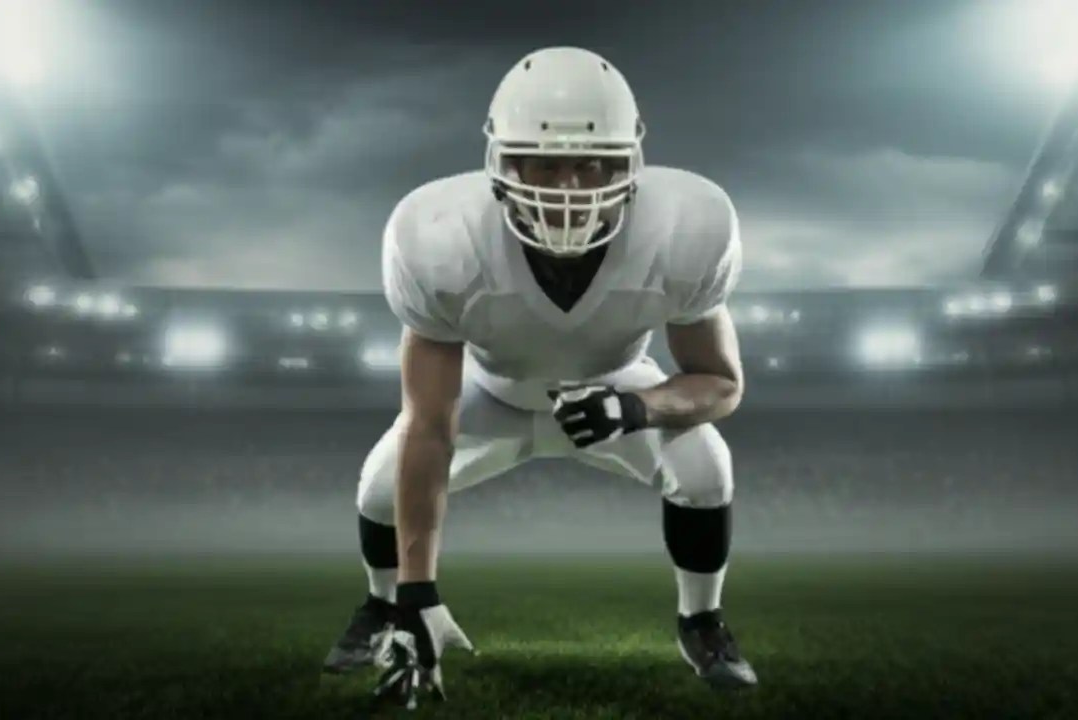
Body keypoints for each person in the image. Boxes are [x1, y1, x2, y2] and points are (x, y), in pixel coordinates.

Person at [322, 46, 756, 708]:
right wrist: (420, 592)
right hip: (490, 394)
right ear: (501, 163)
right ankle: (388, 611)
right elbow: (431, 425)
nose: (569, 187)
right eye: (546, 164)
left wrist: (635, 408)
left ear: (630, 164)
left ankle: (702, 621)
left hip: (616, 387)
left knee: (706, 469)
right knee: (381, 484)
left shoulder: (687, 228)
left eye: (592, 164)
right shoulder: (438, 235)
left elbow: (721, 385)